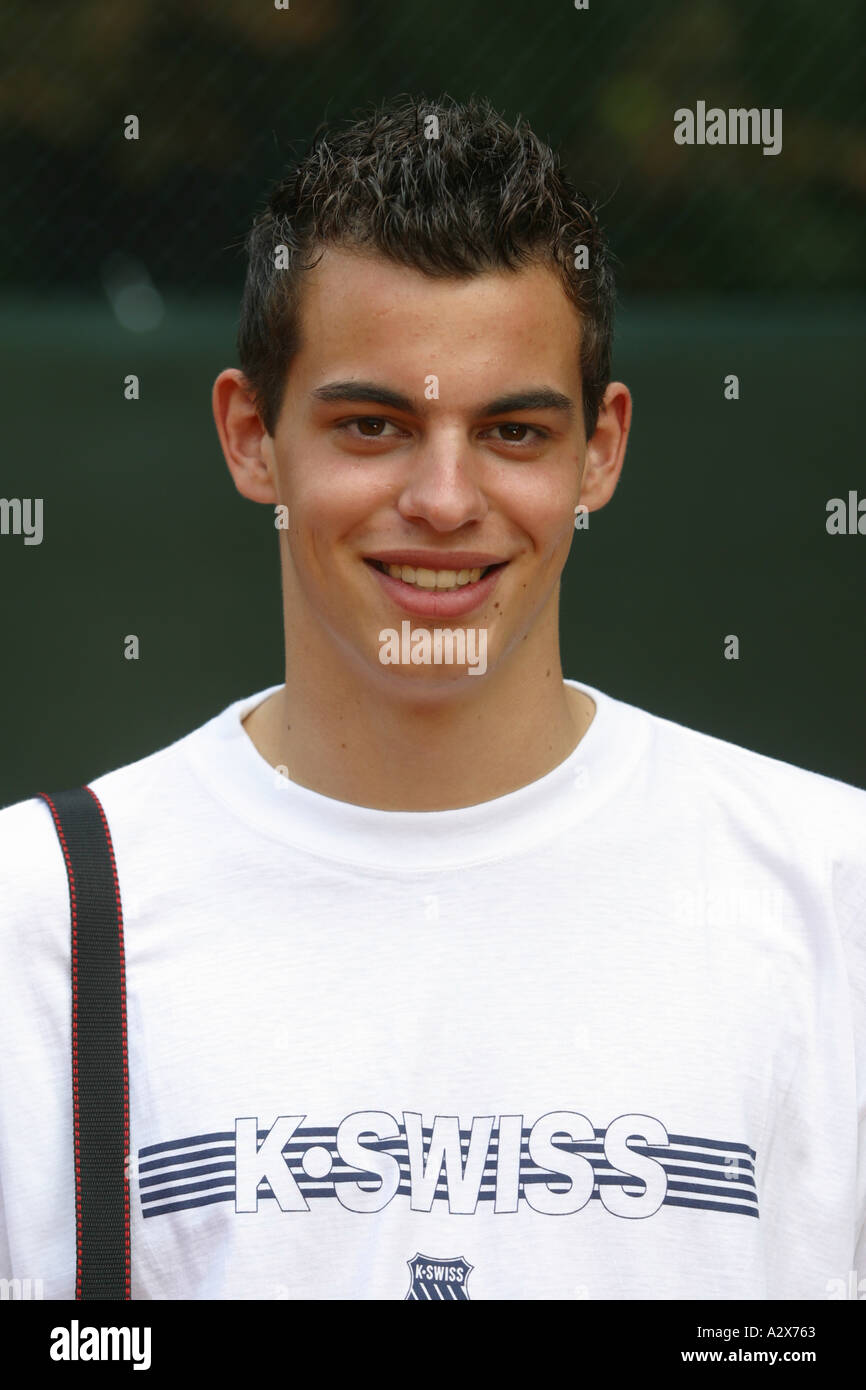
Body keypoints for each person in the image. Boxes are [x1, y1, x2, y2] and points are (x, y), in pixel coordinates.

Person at [1, 93, 863, 1302]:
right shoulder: (39, 912)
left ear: (599, 452)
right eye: (373, 424)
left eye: (512, 430)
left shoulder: (830, 888)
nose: (446, 499)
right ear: (251, 435)